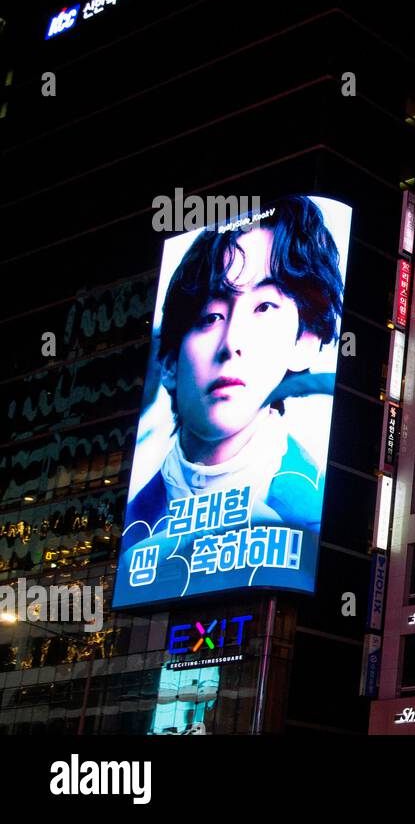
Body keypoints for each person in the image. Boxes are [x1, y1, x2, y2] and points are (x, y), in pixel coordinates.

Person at [120, 196, 343, 598]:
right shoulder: (126, 541)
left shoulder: (313, 522)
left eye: (264, 306)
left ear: (306, 342)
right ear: (169, 361)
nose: (232, 342)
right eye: (209, 317)